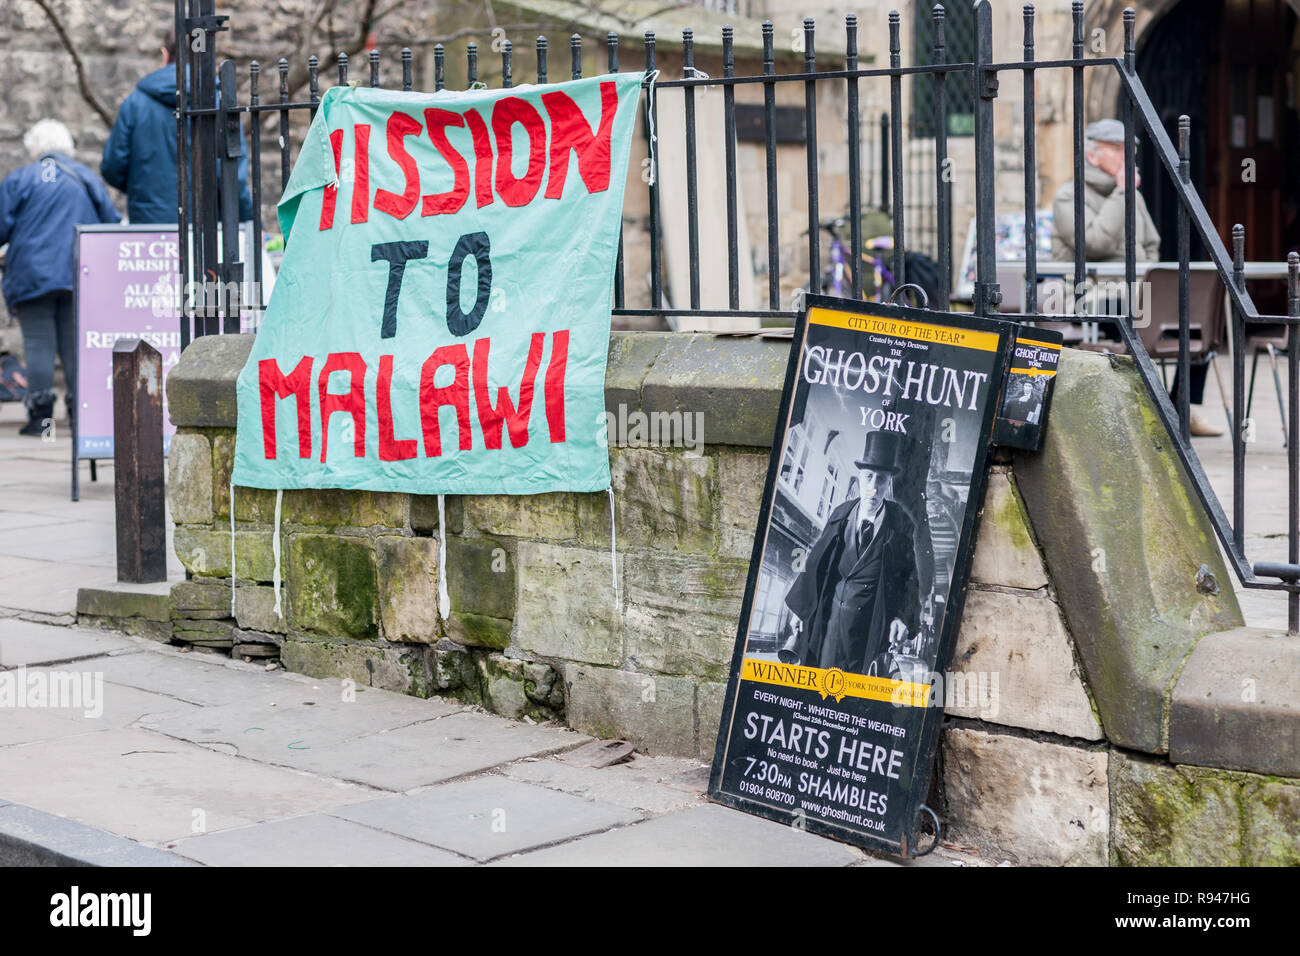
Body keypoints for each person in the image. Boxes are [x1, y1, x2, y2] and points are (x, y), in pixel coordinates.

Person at [1051, 118, 1222, 436]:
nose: (1126, 158)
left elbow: (1151, 245)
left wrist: (1147, 284)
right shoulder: (1068, 196)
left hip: (1134, 292)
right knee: (1133, 305)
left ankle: (1182, 408)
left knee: (1194, 312)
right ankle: (1145, 408)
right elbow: (1094, 243)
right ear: (1093, 155)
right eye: (1117, 150)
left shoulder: (1134, 197)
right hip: (1088, 293)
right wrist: (1121, 193)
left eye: (1130, 151)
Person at [0, 120, 121, 435]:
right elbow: (111, 221)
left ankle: (42, 422)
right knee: (73, 345)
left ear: (36, 148)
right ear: (68, 146)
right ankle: (80, 416)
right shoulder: (85, 177)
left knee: (38, 343)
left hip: (32, 275)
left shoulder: (21, 179)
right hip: (79, 270)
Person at [778, 430, 920, 676]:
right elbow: (815, 564)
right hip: (829, 625)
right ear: (858, 478)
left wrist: (903, 617)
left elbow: (910, 577)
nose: (873, 489)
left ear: (889, 483)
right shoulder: (840, 515)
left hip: (869, 633)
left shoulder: (900, 523)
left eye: (881, 480)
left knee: (855, 700)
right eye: (868, 478)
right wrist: (802, 610)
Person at [101, 27, 253, 224]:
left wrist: (142, 189)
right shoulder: (218, 102)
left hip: (150, 223)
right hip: (205, 226)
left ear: (165, 54)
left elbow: (112, 166)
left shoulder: (135, 102)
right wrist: (250, 221)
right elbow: (233, 177)